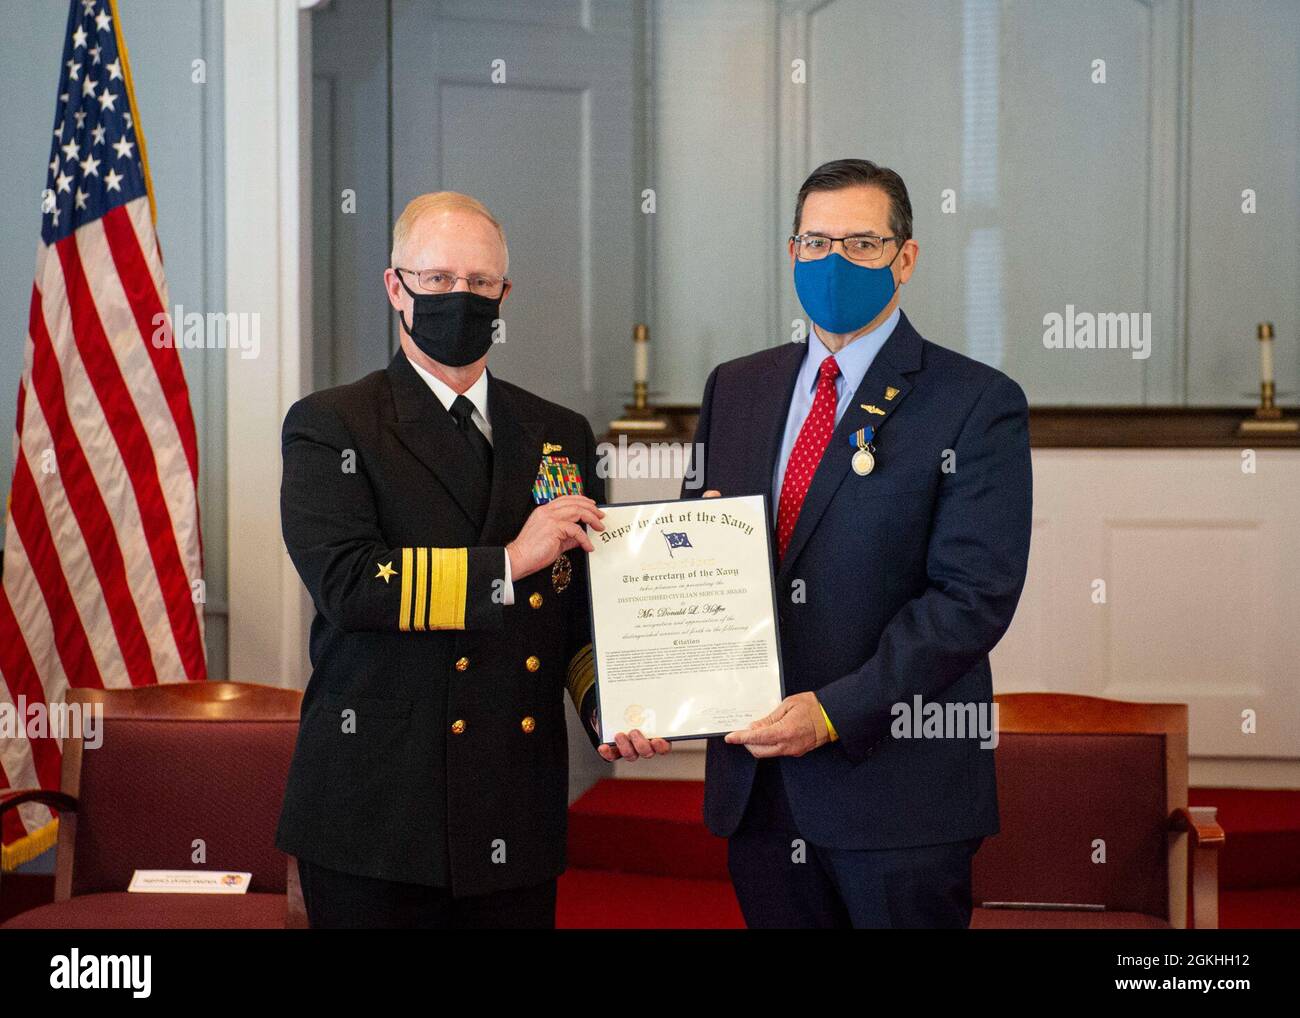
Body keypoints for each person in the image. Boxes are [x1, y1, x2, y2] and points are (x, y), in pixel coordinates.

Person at [276, 191, 667, 929]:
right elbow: (353, 586)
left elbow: (578, 608)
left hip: (512, 805)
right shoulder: (333, 424)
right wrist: (510, 560)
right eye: (438, 280)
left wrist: (610, 704)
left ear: (504, 295)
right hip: (379, 812)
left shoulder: (561, 433)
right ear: (396, 286)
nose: (462, 297)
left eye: (481, 284)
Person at [685, 159, 1032, 928]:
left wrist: (835, 712)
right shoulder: (734, 388)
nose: (833, 262)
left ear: (905, 259)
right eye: (815, 243)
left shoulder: (976, 403)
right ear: (791, 253)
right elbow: (692, 562)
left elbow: (971, 601)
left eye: (862, 243)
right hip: (761, 792)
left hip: (897, 796)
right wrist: (657, 690)